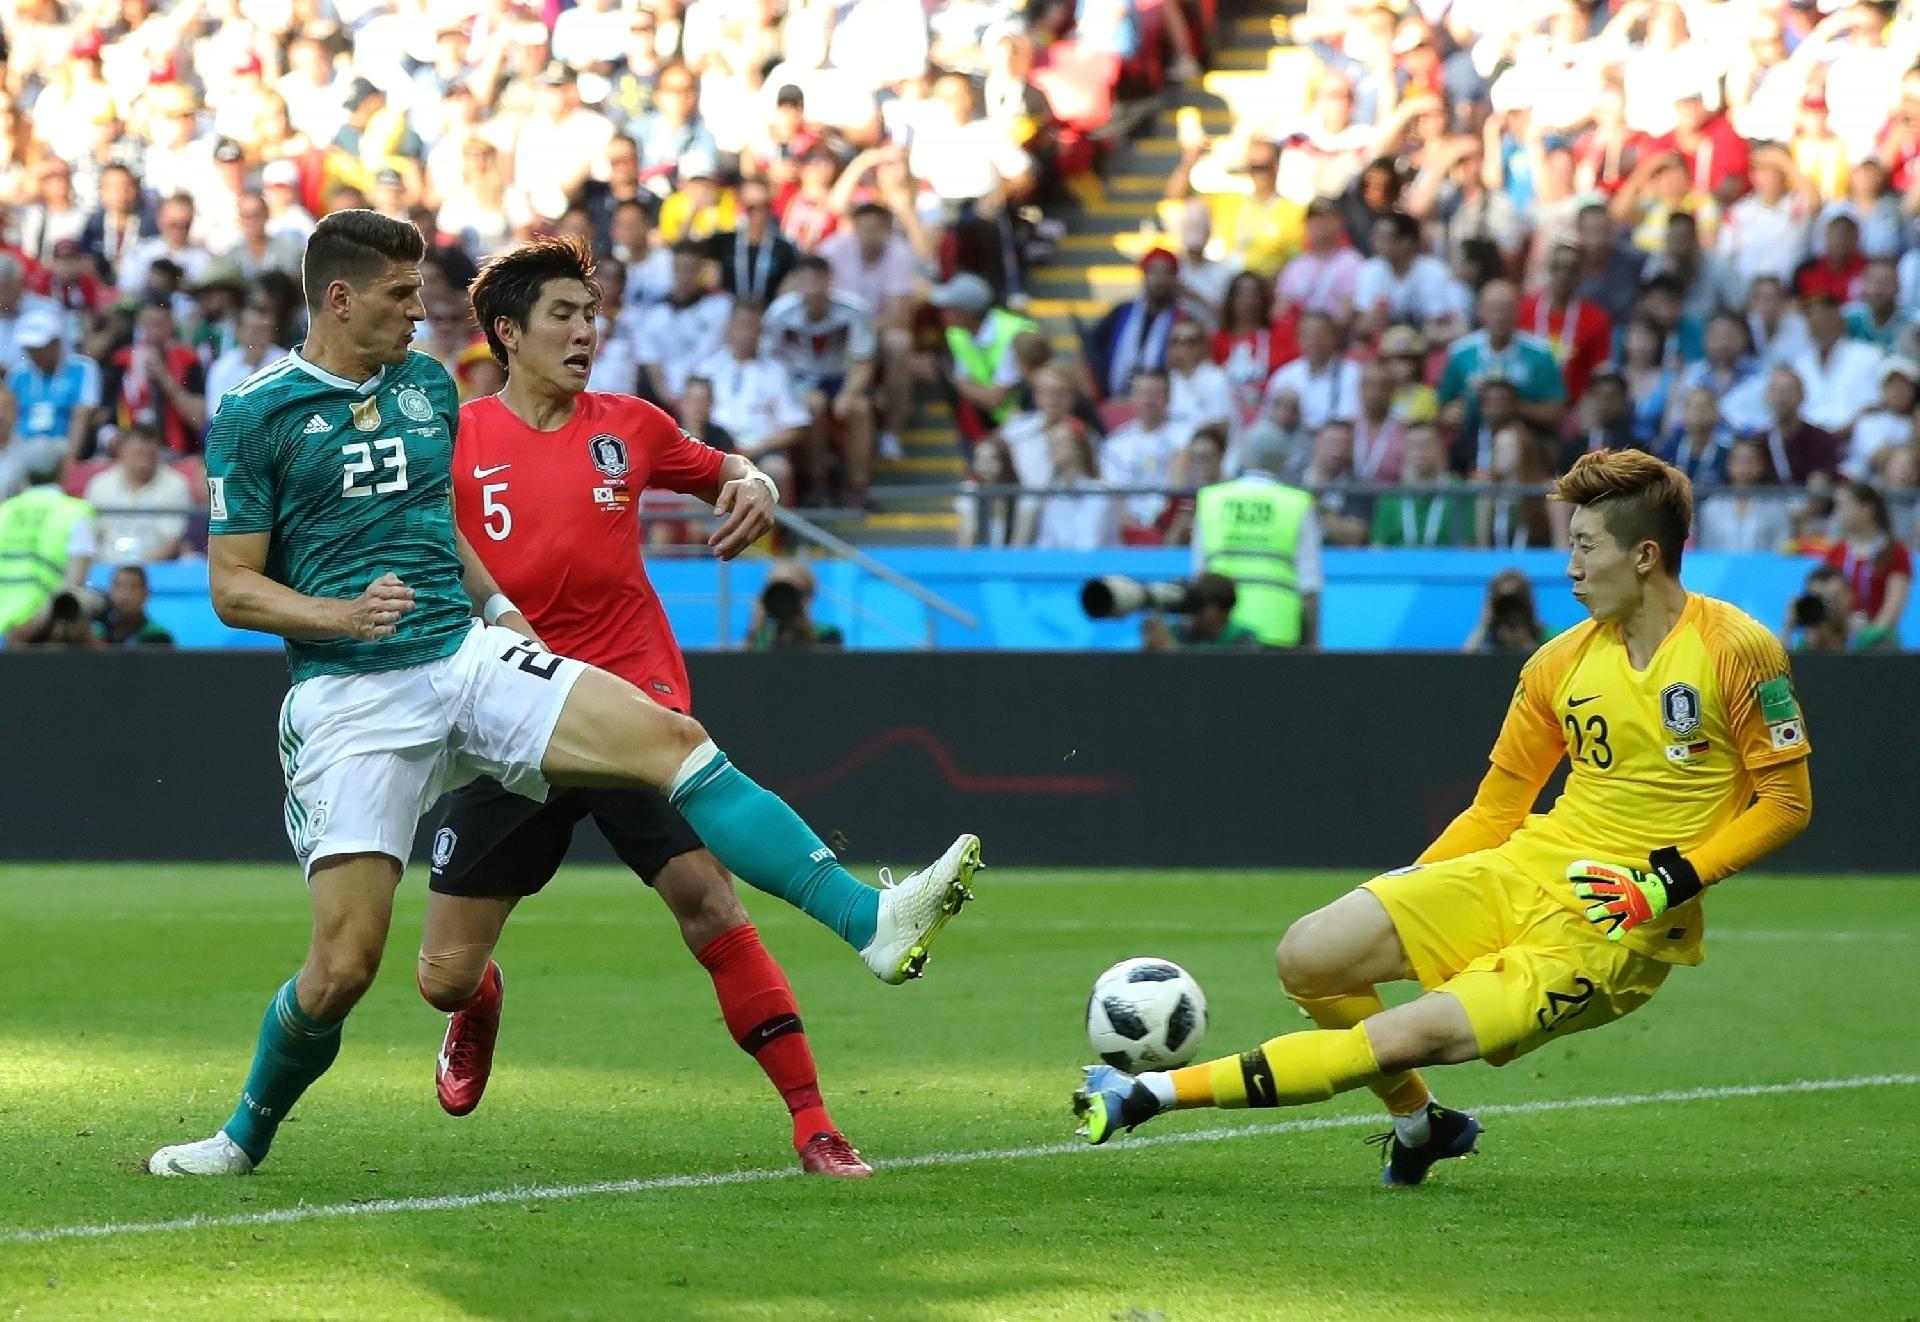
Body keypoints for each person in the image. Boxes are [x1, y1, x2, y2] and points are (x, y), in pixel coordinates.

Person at [147, 211, 982, 1179]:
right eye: (400, 297)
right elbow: (231, 586)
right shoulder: (258, 414)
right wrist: (342, 615)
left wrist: (497, 608)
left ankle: (869, 923)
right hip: (352, 697)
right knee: (347, 967)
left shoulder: (425, 389)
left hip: (466, 660)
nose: (422, 315)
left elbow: (436, 529)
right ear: (338, 298)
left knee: (676, 742)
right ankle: (241, 1136)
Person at [1075, 450, 1815, 1188]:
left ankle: (1147, 1093)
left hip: (1613, 928)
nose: (1572, 569)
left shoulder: (1737, 651)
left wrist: (1666, 883)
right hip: (1523, 869)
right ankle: (1420, 1125)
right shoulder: (1558, 663)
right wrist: (1419, 882)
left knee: (1396, 1038)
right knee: (1309, 956)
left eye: (1586, 547)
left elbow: (1786, 802)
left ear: (1646, 555)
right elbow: (1497, 809)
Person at [423, 236, 912, 1176]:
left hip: (630, 703)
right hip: (512, 709)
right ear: (506, 333)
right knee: (439, 978)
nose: (584, 332)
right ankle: (479, 1004)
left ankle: (815, 1125)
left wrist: (756, 482)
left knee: (705, 899)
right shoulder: (457, 436)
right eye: (563, 315)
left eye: (590, 313)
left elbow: (726, 467)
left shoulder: (630, 426)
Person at [760, 256, 877, 504]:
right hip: (798, 378)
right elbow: (770, 361)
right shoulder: (781, 313)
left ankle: (859, 485)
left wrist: (850, 393)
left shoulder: (853, 310)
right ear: (796, 283)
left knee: (860, 408)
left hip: (839, 374)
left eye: (817, 280)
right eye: (805, 280)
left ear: (829, 281)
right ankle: (818, 481)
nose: (812, 288)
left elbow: (863, 361)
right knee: (813, 404)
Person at [1190, 429, 1323, 648]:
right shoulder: (1297, 503)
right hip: (1278, 630)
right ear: (1284, 462)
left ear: (1243, 456)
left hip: (1222, 630)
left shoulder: (1211, 499)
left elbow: (1199, 575)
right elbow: (1309, 584)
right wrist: (1314, 643)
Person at [2, 308, 100, 494]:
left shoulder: (82, 369)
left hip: (61, 445)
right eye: (30, 349)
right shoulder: (18, 374)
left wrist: (70, 460)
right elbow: (9, 417)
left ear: (56, 343)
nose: (35, 354)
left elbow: (82, 415)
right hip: (22, 447)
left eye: (40, 349)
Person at [0, 457, 94, 637]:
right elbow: (72, 589)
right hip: (39, 632)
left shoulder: (3, 512)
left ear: (25, 477)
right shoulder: (74, 513)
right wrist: (27, 630)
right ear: (62, 472)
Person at [1821, 480, 1911, 651]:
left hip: (1878, 638)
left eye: (1843, 505)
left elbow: (1893, 608)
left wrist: (1868, 636)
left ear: (1867, 510)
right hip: (1840, 637)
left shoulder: (1895, 552)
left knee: (1882, 647)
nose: (1837, 512)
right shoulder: (1836, 553)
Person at [83, 424, 191, 563]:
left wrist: (138, 570)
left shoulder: (176, 485)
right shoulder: (99, 484)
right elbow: (91, 535)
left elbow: (173, 540)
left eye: (150, 455)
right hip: (105, 566)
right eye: (138, 454)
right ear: (122, 451)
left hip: (156, 568)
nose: (144, 462)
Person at [1086, 249, 1184, 401]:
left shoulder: (1182, 319)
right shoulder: (1121, 312)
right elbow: (1090, 348)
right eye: (1153, 272)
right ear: (1144, 275)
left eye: (1166, 272)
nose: (1160, 279)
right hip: (1114, 400)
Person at [1695, 439, 1792, 553]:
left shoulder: (1775, 507)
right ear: (1728, 464)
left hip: (1764, 569)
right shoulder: (1712, 506)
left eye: (1750, 461)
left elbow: (1782, 548)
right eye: (1739, 461)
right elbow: (1705, 551)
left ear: (1762, 465)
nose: (1744, 467)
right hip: (1722, 569)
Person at [1140, 573, 1260, 651]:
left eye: (1202, 606)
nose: (1195, 614)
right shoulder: (1173, 632)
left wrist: (1172, 651)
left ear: (1223, 612)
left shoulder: (1242, 638)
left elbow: (1224, 672)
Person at [746, 559, 846, 650]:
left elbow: (828, 667)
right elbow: (744, 667)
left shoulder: (827, 634)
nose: (783, 598)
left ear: (809, 596)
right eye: (777, 591)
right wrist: (754, 631)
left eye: (790, 592)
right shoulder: (761, 636)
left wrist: (806, 635)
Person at [1462, 568, 1547, 654]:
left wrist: (1527, 642)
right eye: (1503, 604)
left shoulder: (1549, 635)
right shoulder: (1489, 638)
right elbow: (1463, 662)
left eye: (1515, 604)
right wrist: (1484, 626)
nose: (1509, 610)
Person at [94, 562, 173, 646]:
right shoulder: (98, 633)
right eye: (118, 586)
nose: (124, 595)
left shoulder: (158, 636)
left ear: (145, 594)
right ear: (109, 592)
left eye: (133, 588)